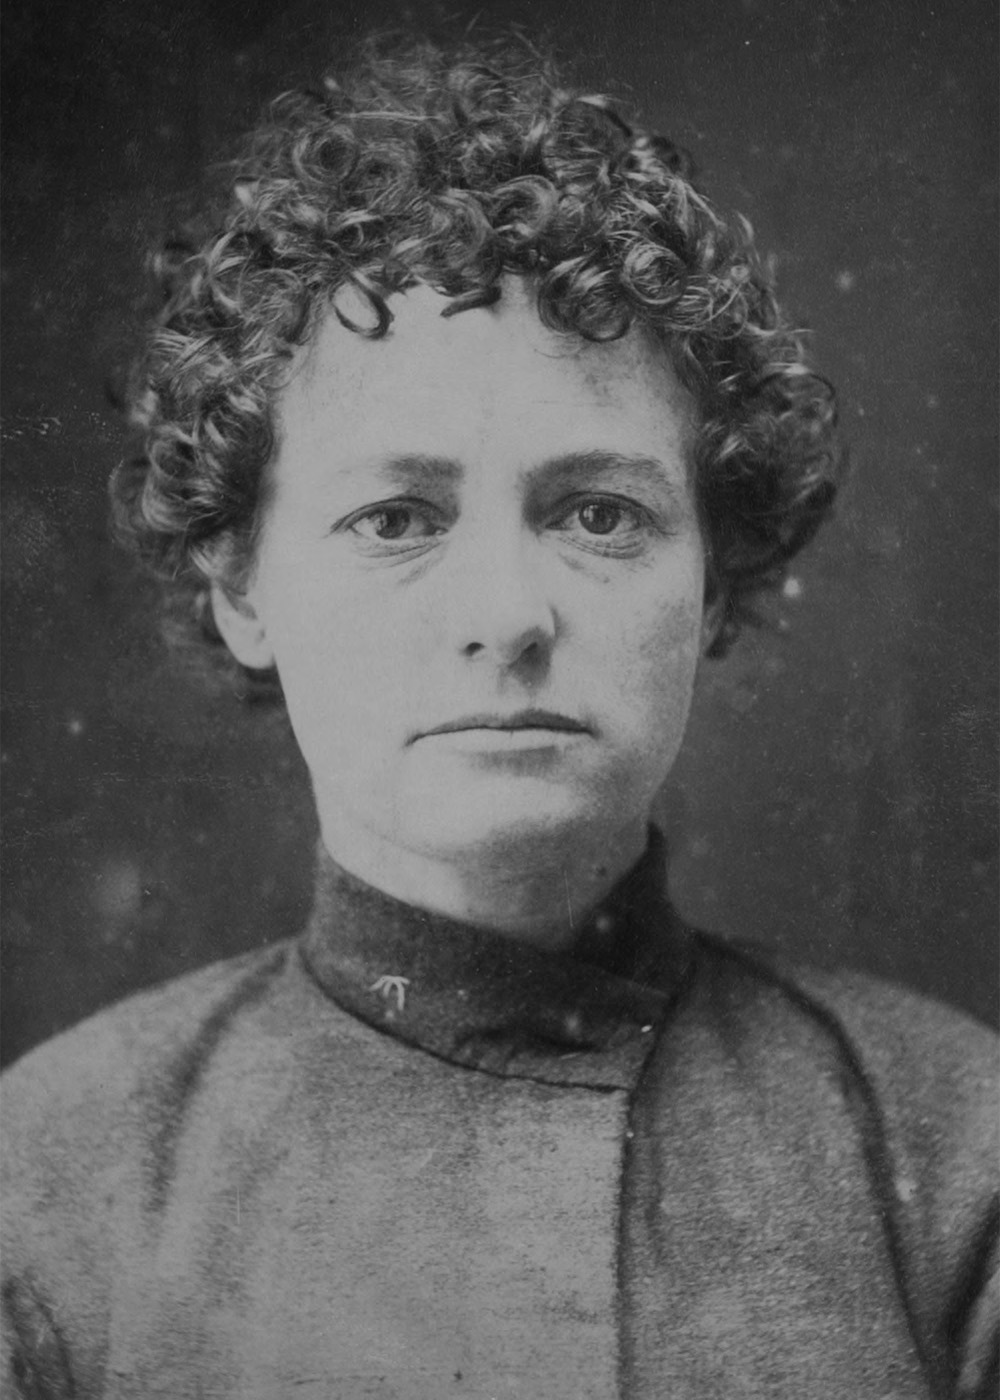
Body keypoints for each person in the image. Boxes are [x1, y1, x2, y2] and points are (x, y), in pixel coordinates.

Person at [2, 34, 995, 1400]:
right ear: (243, 590)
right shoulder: (44, 1194)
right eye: (395, 518)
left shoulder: (956, 1158)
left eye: (599, 513)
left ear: (712, 582)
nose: (507, 612)